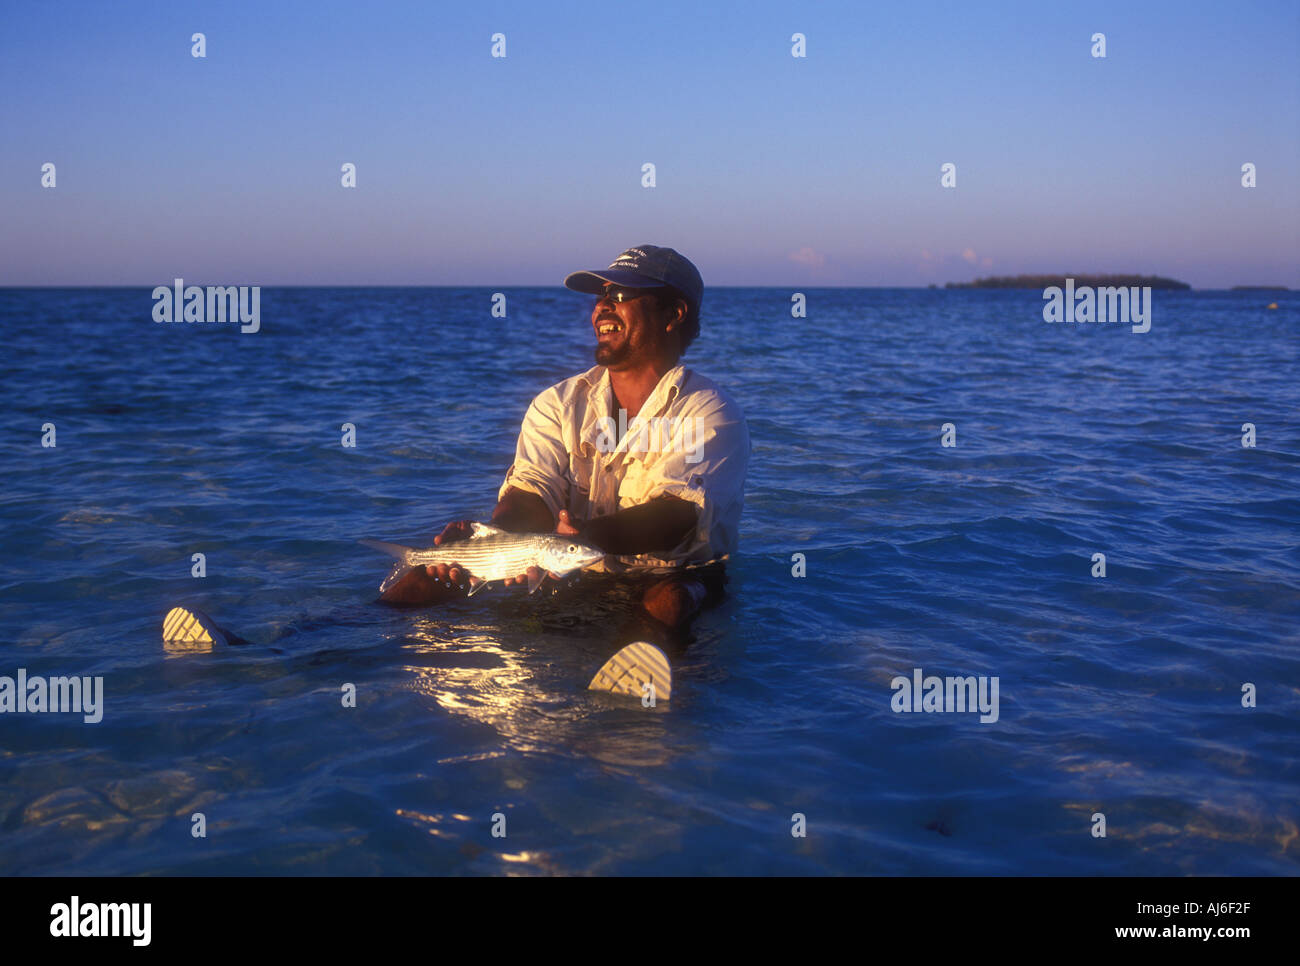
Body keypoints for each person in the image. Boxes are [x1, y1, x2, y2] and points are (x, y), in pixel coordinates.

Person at [381, 245, 750, 649]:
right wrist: (494, 537)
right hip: (566, 569)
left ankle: (649, 692)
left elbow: (676, 515)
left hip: (673, 574)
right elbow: (531, 490)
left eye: (622, 295)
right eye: (600, 297)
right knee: (420, 583)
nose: (603, 308)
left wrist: (579, 538)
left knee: (670, 602)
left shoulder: (710, 410)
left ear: (673, 314)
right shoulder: (556, 403)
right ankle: (342, 648)